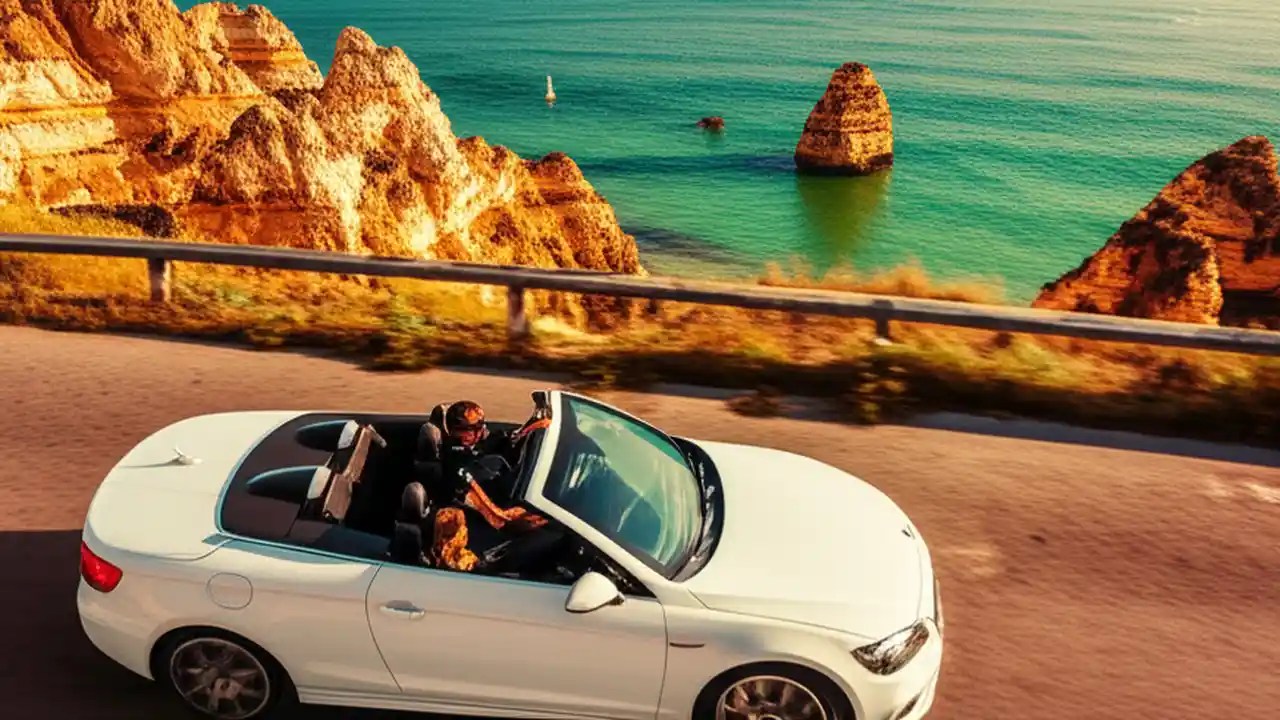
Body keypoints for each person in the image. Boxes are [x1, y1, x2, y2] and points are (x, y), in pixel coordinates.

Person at [416, 400, 552, 571]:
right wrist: (517, 522)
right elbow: (491, 513)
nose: (476, 433)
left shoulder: (482, 442)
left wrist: (535, 426)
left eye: (478, 427)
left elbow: (510, 437)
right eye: (468, 430)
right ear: (454, 430)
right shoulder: (455, 465)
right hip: (472, 521)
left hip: (498, 496)